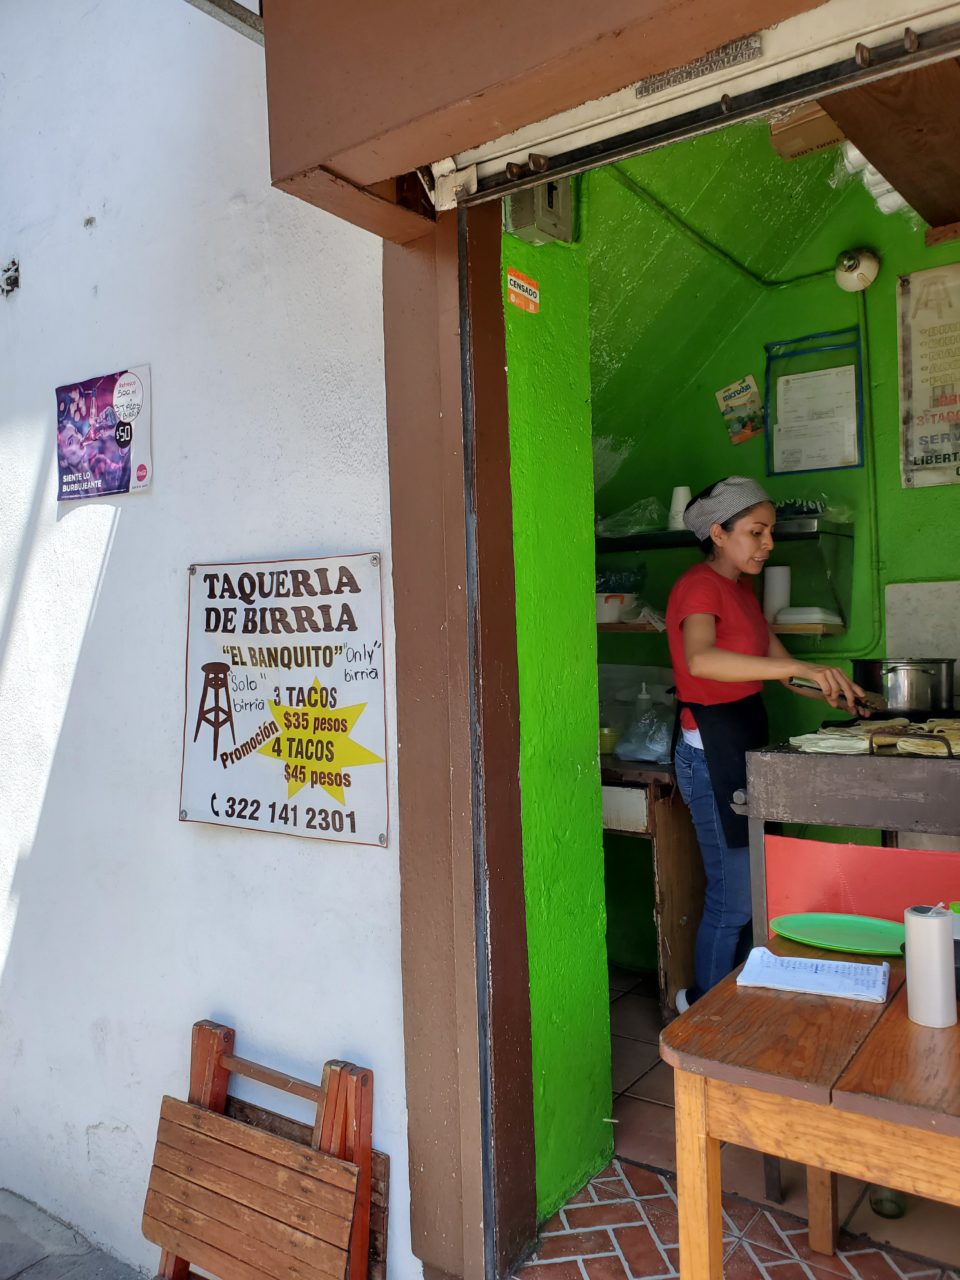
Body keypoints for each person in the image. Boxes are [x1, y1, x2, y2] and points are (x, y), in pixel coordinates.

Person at [666, 476, 865, 1012]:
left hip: (742, 735)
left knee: (751, 888)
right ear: (718, 532)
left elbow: (776, 666)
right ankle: (702, 1008)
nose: (767, 544)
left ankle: (726, 998)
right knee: (732, 896)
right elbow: (701, 661)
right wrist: (797, 664)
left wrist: (827, 687)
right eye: (756, 533)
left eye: (769, 532)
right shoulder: (698, 586)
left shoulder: (740, 591)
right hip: (710, 749)